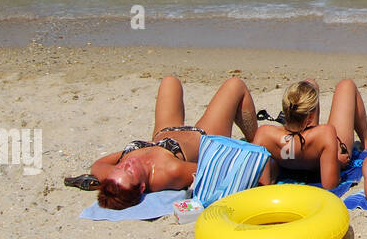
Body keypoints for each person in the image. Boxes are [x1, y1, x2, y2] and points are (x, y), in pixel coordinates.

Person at [88, 75, 258, 209]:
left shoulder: (114, 179)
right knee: (235, 85)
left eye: (120, 167)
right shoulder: (169, 171)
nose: (127, 164)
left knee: (170, 81)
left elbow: (98, 164)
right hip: (204, 136)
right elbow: (213, 168)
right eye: (130, 172)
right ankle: (255, 139)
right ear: (141, 187)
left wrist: (124, 156)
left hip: (164, 132)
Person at [253, 78, 367, 190]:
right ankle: (366, 141)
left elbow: (263, 183)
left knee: (309, 83)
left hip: (289, 159)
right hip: (317, 151)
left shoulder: (264, 134)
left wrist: (282, 162)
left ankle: (300, 122)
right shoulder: (325, 133)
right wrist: (336, 162)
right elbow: (330, 185)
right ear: (310, 117)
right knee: (346, 85)